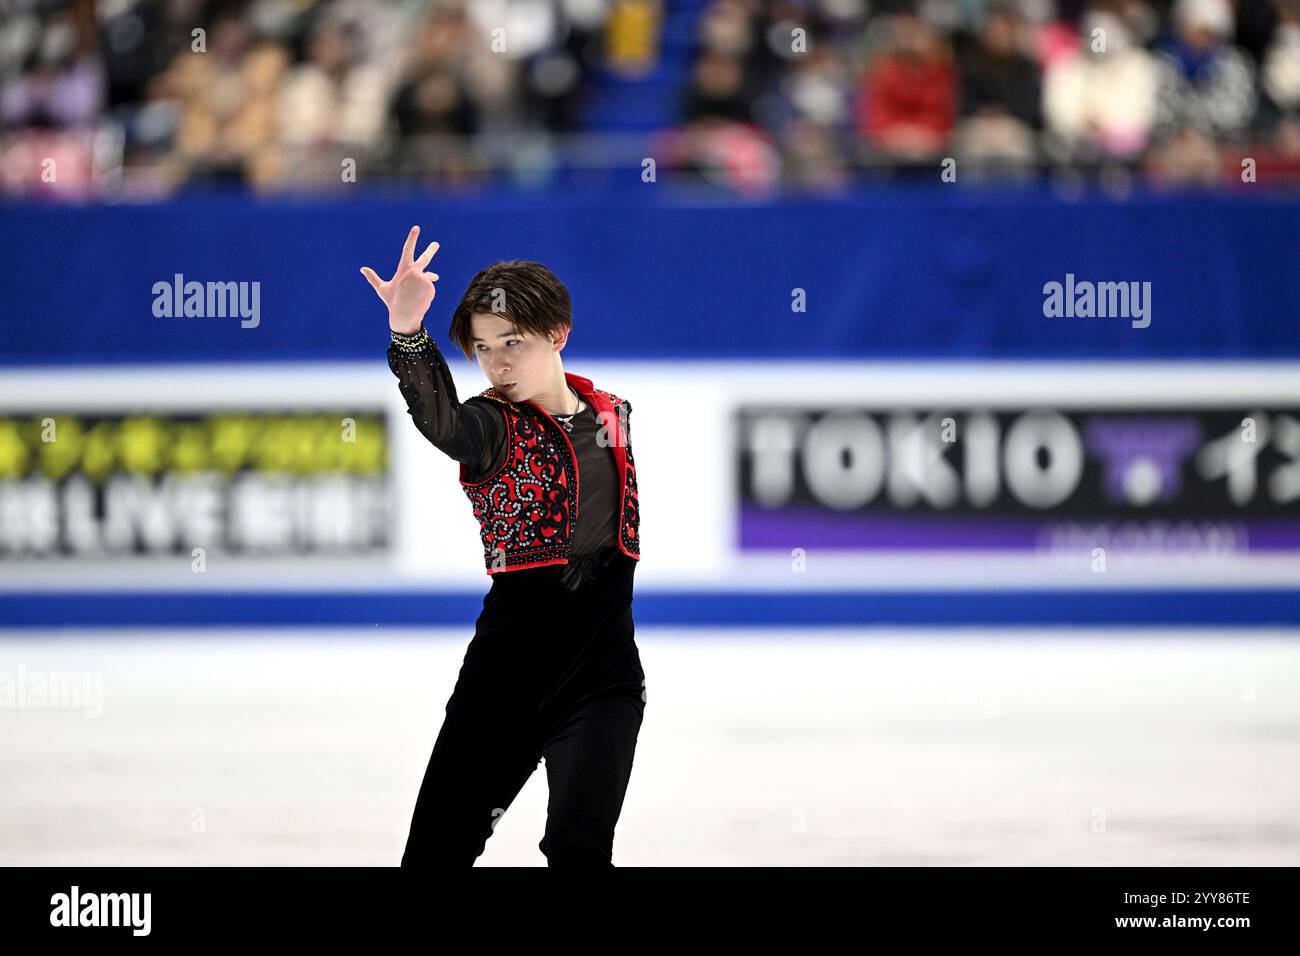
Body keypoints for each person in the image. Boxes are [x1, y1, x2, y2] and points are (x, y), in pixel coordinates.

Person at [359, 226, 645, 867]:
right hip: (506, 682)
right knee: (437, 852)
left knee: (581, 849)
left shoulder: (612, 413)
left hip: (604, 680)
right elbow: (442, 421)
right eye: (485, 350)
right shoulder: (491, 425)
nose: (499, 364)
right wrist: (408, 333)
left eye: (512, 343)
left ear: (557, 334)